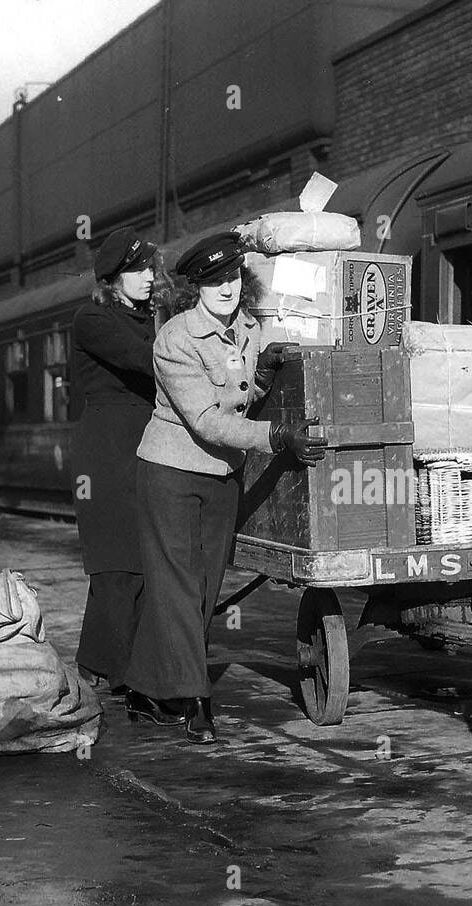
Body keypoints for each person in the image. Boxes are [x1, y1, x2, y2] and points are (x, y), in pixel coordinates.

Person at [123, 231, 326, 744]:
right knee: (178, 585)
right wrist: (278, 436)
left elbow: (237, 393)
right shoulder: (174, 338)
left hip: (222, 476)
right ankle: (197, 699)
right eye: (214, 281)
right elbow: (207, 420)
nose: (226, 289)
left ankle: (145, 690)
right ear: (196, 289)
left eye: (232, 277)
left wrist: (266, 375)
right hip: (170, 471)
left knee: (205, 587)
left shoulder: (249, 330)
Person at [71, 227, 164, 720]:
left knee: (139, 558)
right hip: (107, 450)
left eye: (150, 268)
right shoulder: (93, 319)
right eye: (137, 270)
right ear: (112, 277)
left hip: (144, 442)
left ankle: (100, 660)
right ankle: (123, 672)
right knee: (116, 558)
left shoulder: (148, 317)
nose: (148, 278)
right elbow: (143, 359)